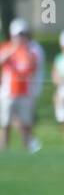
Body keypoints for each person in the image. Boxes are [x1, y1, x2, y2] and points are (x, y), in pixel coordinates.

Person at [0, 19, 40, 152]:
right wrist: (12, 51)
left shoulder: (31, 51)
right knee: (5, 124)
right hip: (7, 93)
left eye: (22, 35)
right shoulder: (5, 48)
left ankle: (27, 149)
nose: (20, 38)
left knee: (25, 124)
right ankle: (4, 150)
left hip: (25, 93)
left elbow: (32, 69)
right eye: (18, 35)